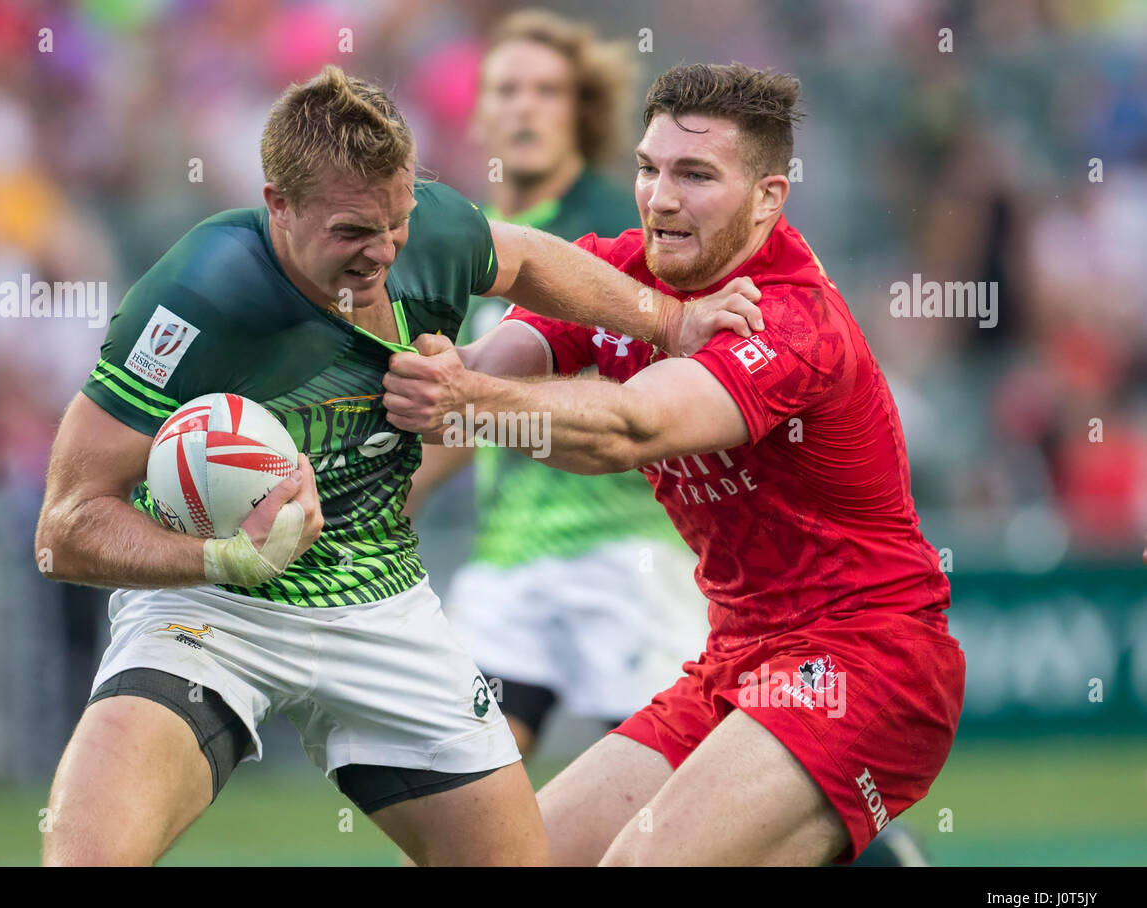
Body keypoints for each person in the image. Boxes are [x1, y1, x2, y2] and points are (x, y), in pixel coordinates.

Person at [34, 65, 760, 866]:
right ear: (278, 204)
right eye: (352, 231)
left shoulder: (431, 233)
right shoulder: (197, 297)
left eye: (397, 222)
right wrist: (218, 558)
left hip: (380, 602)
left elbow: (524, 260)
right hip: (211, 609)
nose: (381, 253)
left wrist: (669, 319)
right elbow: (65, 529)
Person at [383, 62, 966, 866]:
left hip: (866, 663)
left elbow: (628, 429)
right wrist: (413, 382)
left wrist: (462, 396)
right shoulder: (622, 274)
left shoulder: (795, 319)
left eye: (696, 175)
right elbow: (491, 362)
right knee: (517, 859)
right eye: (649, 168)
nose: (661, 197)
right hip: (736, 659)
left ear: (768, 197)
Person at [407, 9, 706, 757]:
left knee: (685, 809)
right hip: (509, 564)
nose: (525, 107)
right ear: (476, 115)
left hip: (630, 558)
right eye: (506, 90)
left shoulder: (622, 227)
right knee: (457, 783)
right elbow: (451, 408)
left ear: (583, 113)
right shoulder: (464, 243)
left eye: (547, 90)